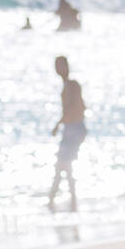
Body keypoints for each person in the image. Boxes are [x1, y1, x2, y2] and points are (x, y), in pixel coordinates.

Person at [48, 56, 86, 212]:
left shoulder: (72, 85)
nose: (58, 69)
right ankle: (69, 201)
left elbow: (74, 107)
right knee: (65, 166)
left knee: (62, 165)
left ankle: (54, 200)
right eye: (56, 66)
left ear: (66, 67)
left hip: (74, 129)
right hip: (72, 128)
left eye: (60, 65)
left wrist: (58, 124)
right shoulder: (68, 85)